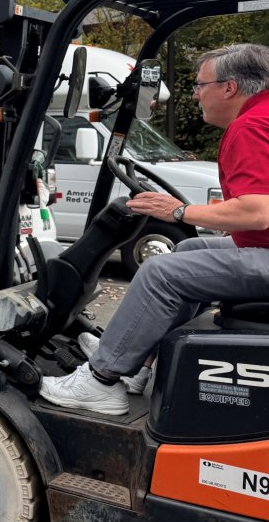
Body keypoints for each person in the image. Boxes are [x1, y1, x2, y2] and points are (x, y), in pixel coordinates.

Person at [40, 43, 269, 415]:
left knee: (160, 271)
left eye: (200, 85)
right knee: (188, 253)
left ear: (229, 88)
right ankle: (138, 364)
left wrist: (179, 211)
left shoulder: (252, 126)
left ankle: (99, 381)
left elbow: (258, 212)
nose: (197, 94)